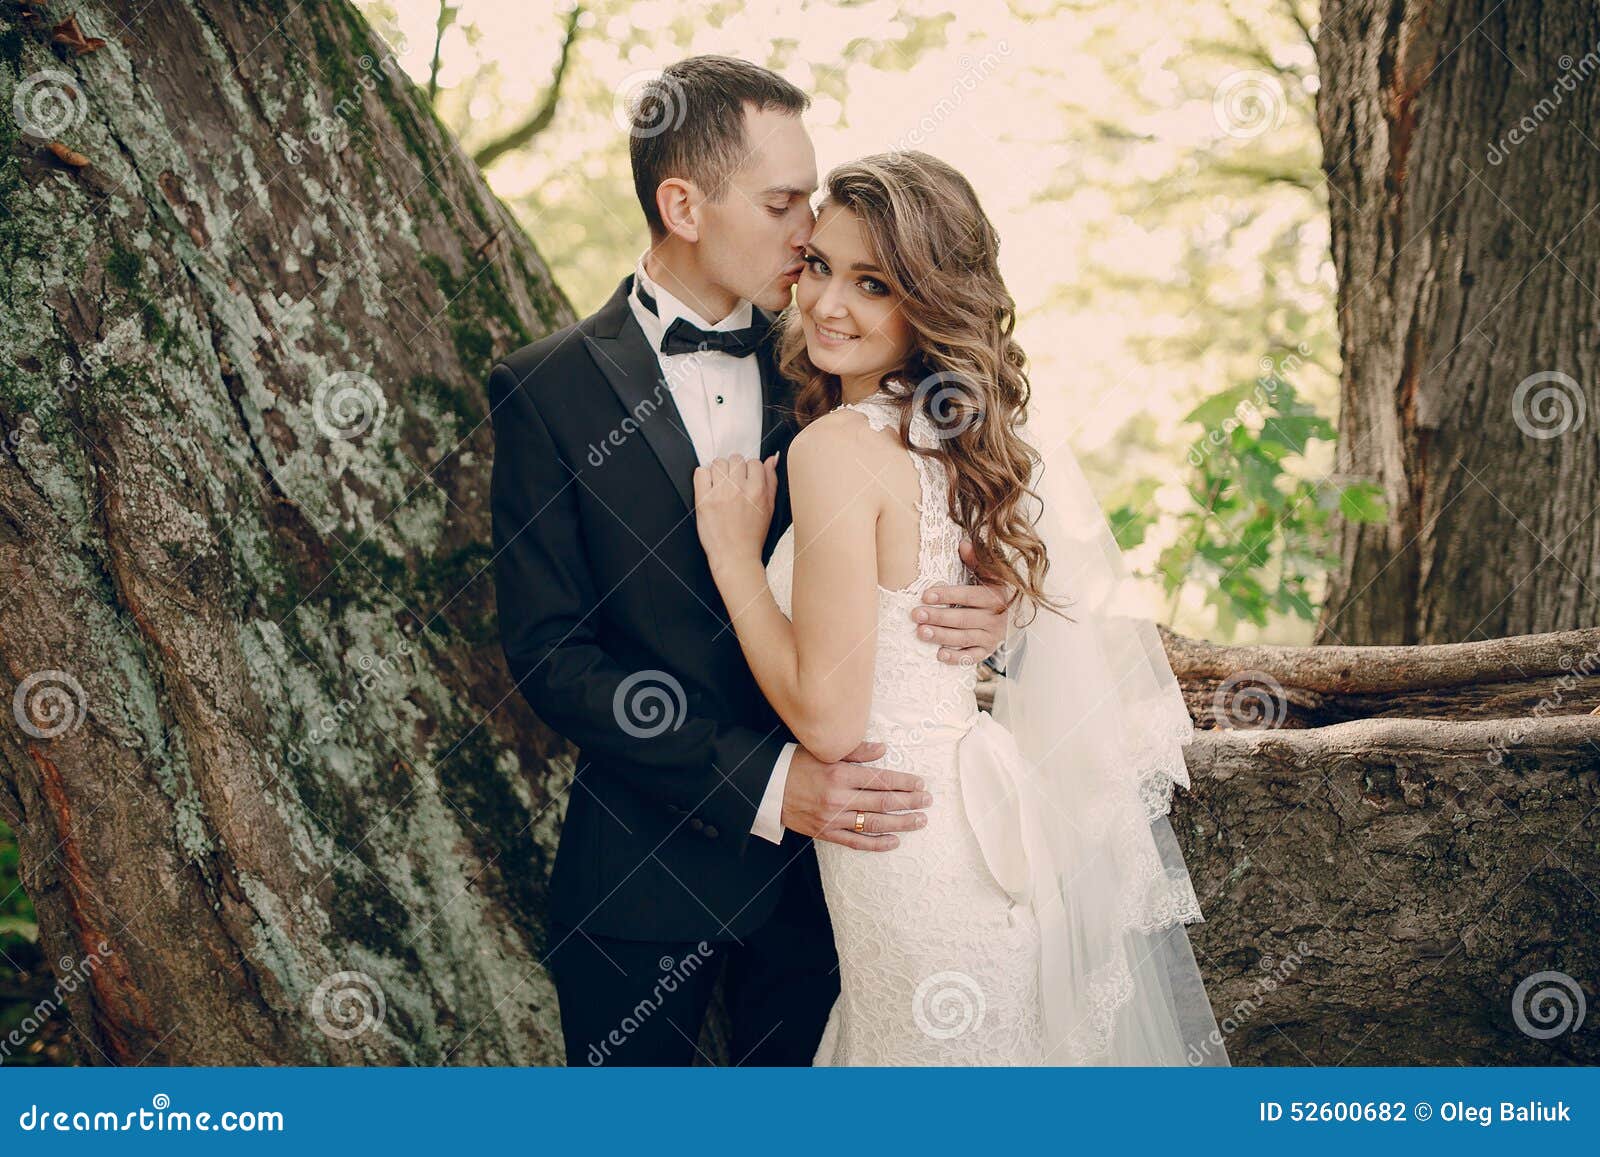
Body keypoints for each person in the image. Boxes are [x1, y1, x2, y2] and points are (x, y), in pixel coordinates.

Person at [486, 56, 1011, 1066]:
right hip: (637, 882)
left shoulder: (836, 358)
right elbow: (552, 656)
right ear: (682, 203)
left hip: (836, 886)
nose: (808, 232)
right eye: (781, 204)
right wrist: (768, 780)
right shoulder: (543, 388)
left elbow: (940, 521)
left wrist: (986, 609)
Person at [693, 149, 1229, 1064]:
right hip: (971, 837)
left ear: (931, 304)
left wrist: (733, 556)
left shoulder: (834, 450)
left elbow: (829, 717)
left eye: (874, 285)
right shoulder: (956, 440)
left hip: (903, 849)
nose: (827, 304)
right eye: (819, 265)